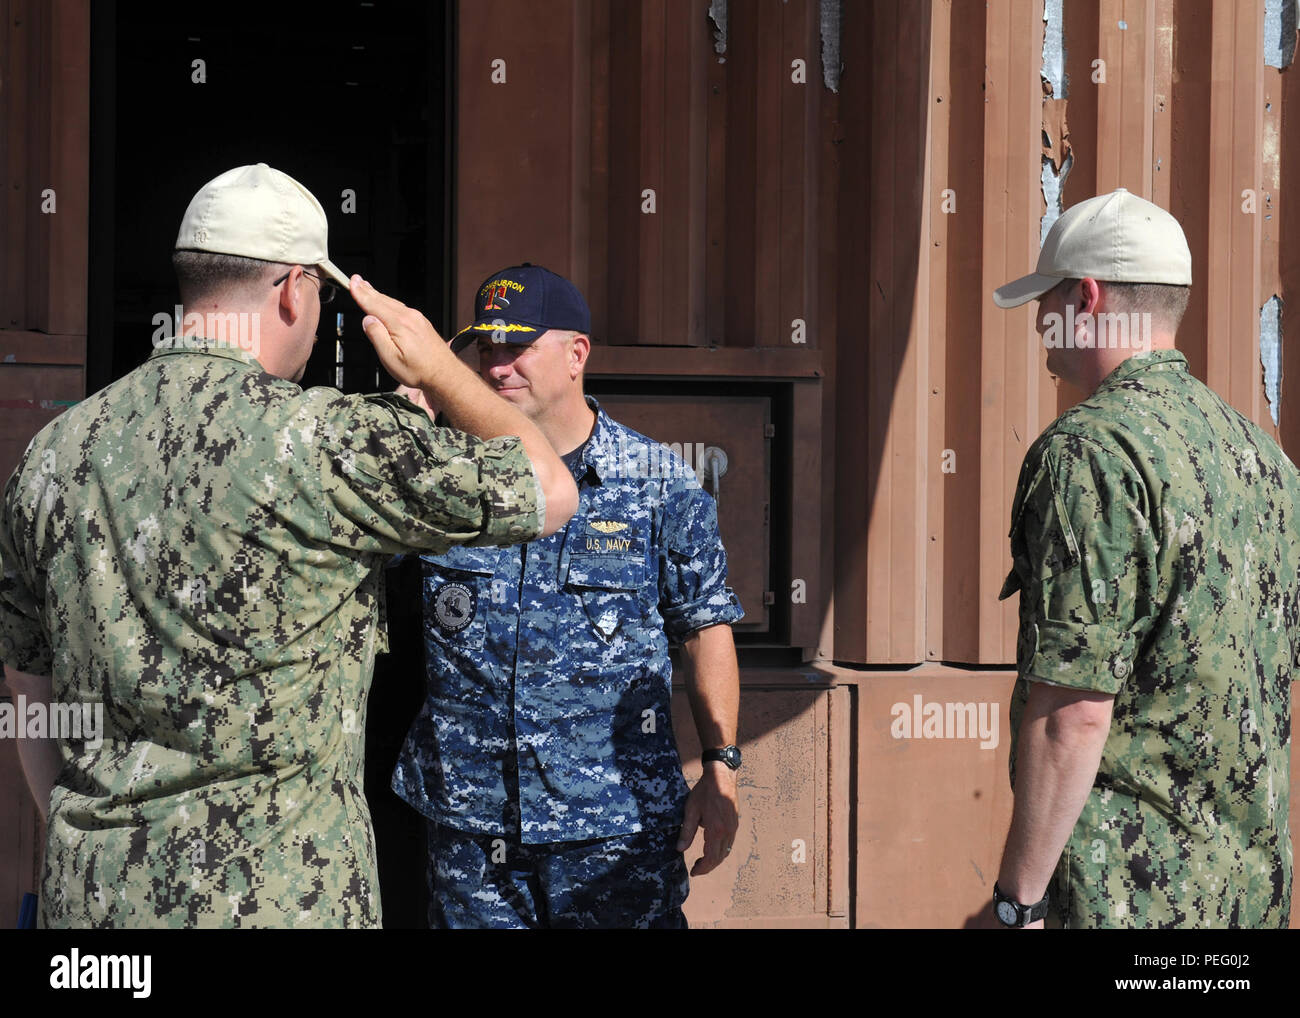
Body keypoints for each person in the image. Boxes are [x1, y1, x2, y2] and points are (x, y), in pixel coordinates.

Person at [0, 164, 578, 928]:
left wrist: (95, 841)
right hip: (281, 902)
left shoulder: (52, 454)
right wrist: (438, 365)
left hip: (98, 912)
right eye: (319, 298)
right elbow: (550, 488)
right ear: (292, 291)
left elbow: (28, 702)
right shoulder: (326, 439)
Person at [391, 263, 744, 928]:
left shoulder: (656, 482)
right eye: (486, 349)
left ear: (576, 353)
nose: (497, 368)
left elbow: (705, 627)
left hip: (614, 826)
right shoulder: (443, 476)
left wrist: (722, 765)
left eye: (517, 347)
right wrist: (408, 426)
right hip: (473, 824)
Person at [988, 188, 1299, 928]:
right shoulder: (1263, 458)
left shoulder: (1089, 453)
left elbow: (1074, 714)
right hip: (1249, 899)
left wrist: (1016, 903)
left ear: (1087, 296)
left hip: (1125, 900)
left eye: (1048, 300)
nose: (1039, 322)